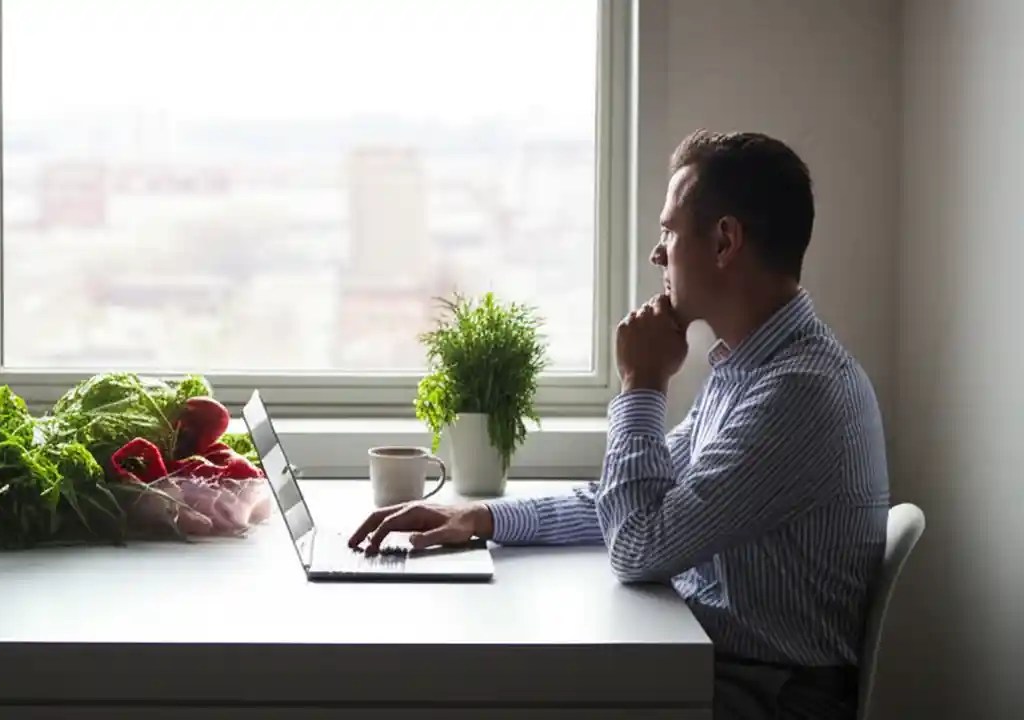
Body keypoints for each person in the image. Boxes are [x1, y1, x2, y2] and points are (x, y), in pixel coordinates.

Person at [348, 130, 890, 720]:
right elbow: (632, 505)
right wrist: (483, 517)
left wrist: (642, 384)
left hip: (768, 694)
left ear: (725, 242)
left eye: (670, 231)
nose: (658, 253)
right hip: (724, 667)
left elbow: (638, 544)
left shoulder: (796, 392)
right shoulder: (749, 370)